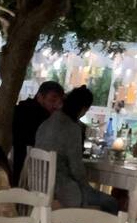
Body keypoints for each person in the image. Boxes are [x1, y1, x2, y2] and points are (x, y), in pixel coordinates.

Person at [33, 85, 118, 214]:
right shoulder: (72, 128)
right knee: (111, 203)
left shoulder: (47, 122)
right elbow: (76, 169)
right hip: (62, 191)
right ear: (83, 109)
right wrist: (87, 186)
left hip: (38, 187)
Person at [10, 79, 64, 185]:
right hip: (32, 175)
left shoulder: (19, 109)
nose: (56, 105)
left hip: (15, 171)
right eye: (52, 100)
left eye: (59, 102)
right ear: (40, 96)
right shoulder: (43, 119)